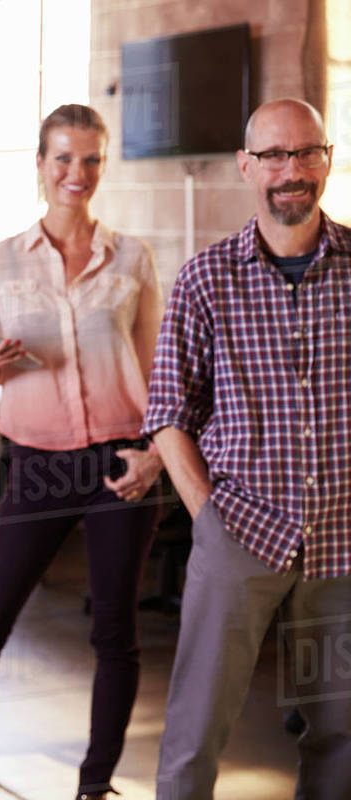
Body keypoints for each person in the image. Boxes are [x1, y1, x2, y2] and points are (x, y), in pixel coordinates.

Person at [0, 105, 164, 800]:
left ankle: (96, 786)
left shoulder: (133, 257)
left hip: (121, 465)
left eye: (90, 159)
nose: (77, 173)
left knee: (114, 633)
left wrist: (154, 455)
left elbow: (157, 370)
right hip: (36, 464)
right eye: (63, 158)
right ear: (40, 165)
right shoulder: (1, 257)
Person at [144, 98, 351, 800]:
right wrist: (207, 516)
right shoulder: (205, 279)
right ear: (246, 166)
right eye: (274, 156)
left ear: (327, 159)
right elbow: (168, 414)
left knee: (342, 730)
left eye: (307, 153)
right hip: (241, 530)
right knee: (197, 730)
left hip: (345, 541)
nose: (291, 171)